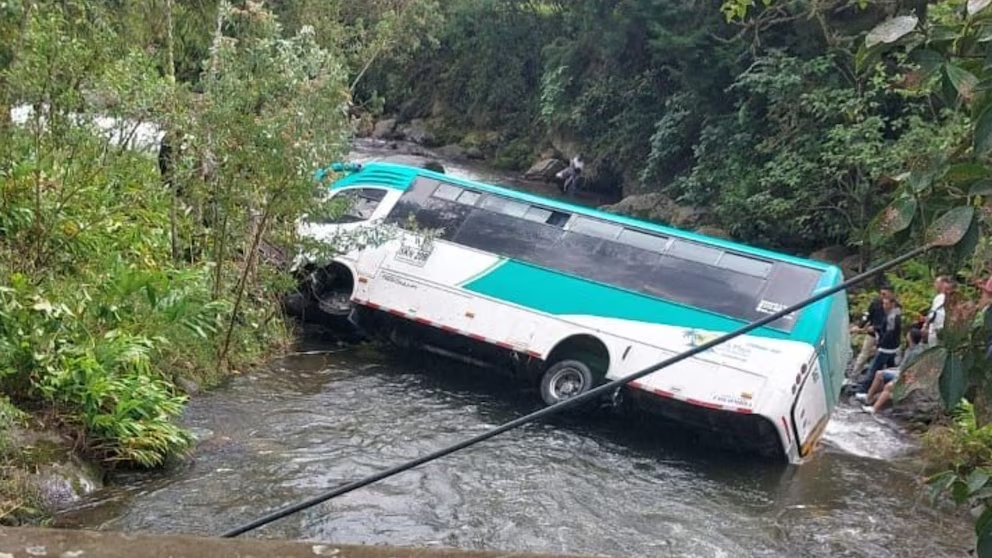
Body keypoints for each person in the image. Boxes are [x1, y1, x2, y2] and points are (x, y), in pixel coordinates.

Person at [859, 326, 924, 414]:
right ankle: (869, 398)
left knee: (888, 386)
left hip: (907, 375)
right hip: (900, 371)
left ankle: (874, 408)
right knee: (879, 374)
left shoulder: (916, 352)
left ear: (911, 337)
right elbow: (900, 364)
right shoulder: (909, 348)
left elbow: (911, 369)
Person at [856, 296, 901, 395]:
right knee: (890, 367)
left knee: (874, 368)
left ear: (892, 304)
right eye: (883, 304)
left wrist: (880, 343)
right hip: (893, 347)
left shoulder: (892, 317)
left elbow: (889, 332)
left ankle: (863, 391)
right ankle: (886, 389)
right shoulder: (896, 313)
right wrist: (877, 328)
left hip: (886, 348)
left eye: (886, 304)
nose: (884, 306)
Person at [849, 285, 894, 377]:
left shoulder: (894, 306)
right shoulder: (875, 303)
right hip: (872, 333)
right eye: (881, 294)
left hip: (885, 335)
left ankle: (879, 376)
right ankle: (854, 374)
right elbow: (867, 315)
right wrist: (859, 326)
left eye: (884, 294)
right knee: (864, 354)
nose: (882, 296)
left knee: (882, 357)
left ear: (890, 293)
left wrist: (877, 328)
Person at [923, 275, 952, 346]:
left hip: (937, 332)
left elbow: (932, 315)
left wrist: (925, 325)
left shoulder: (940, 297)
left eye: (936, 283)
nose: (934, 285)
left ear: (942, 284)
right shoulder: (950, 298)